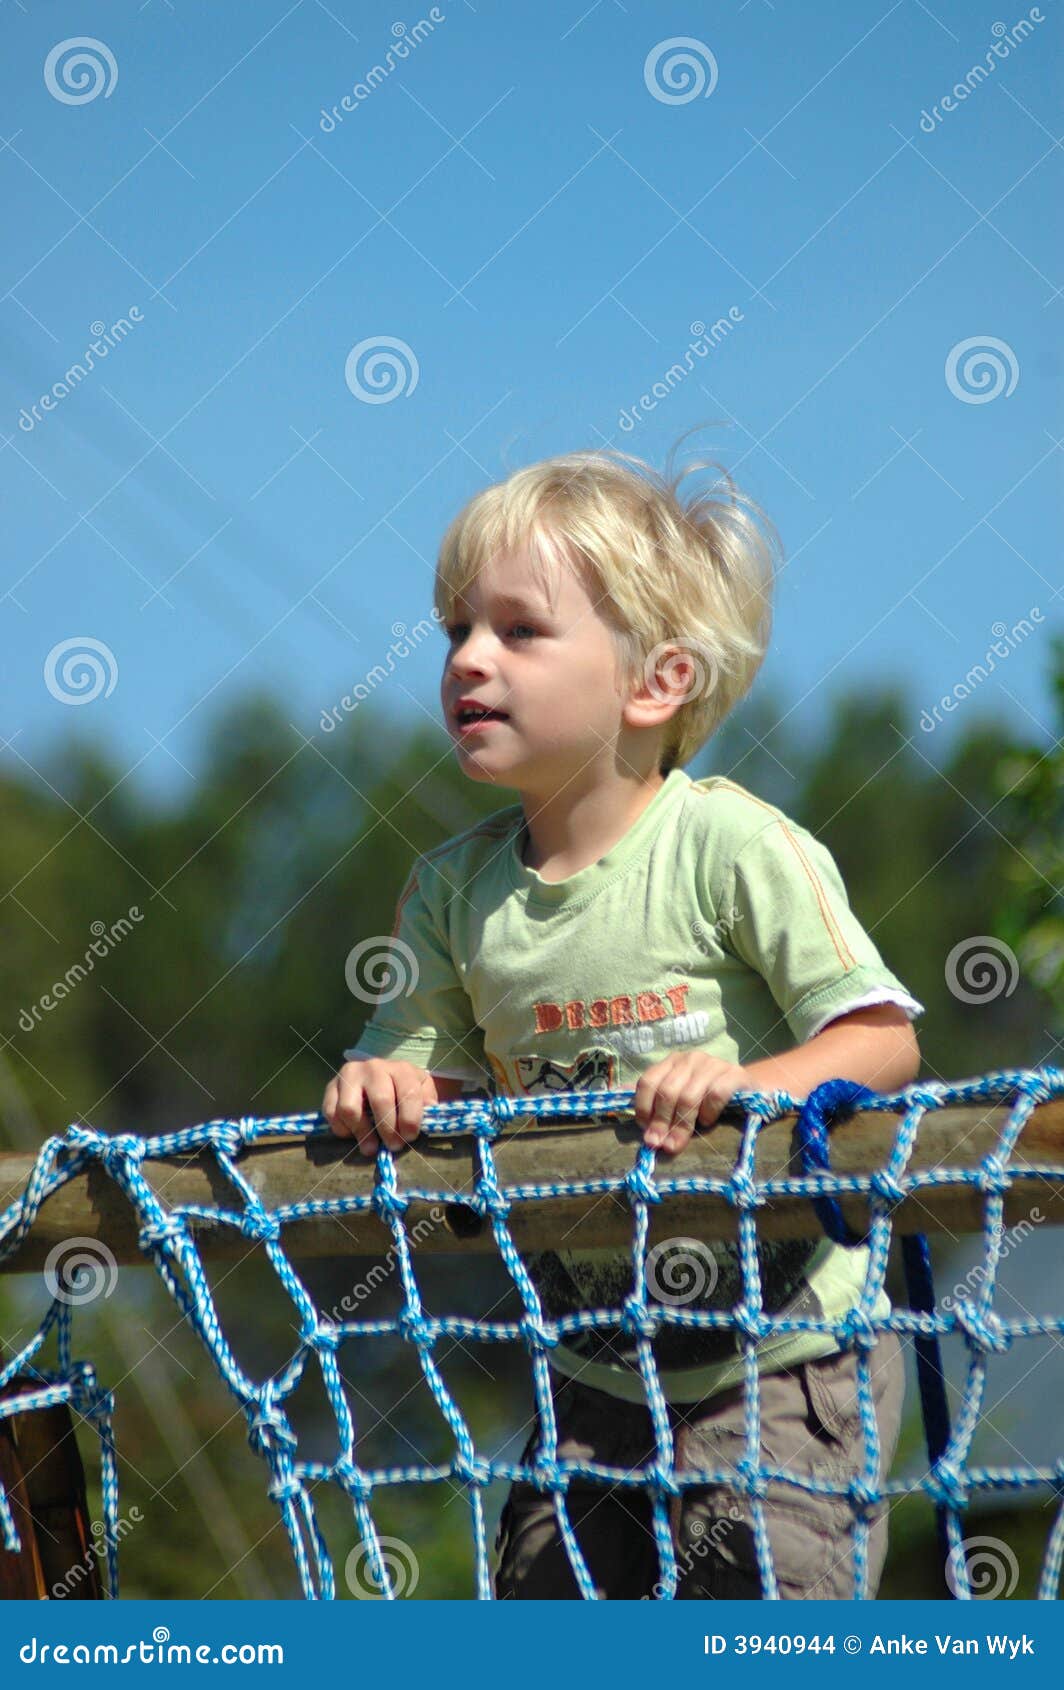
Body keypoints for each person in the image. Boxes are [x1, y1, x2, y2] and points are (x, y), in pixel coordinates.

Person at [322, 436, 923, 1599]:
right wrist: (383, 1085)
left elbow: (881, 1038)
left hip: (784, 1356)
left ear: (654, 682)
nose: (466, 659)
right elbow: (419, 1073)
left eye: (516, 629)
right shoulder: (451, 891)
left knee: (765, 1612)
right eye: (455, 629)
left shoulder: (729, 847)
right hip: (588, 1371)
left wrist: (752, 1084)